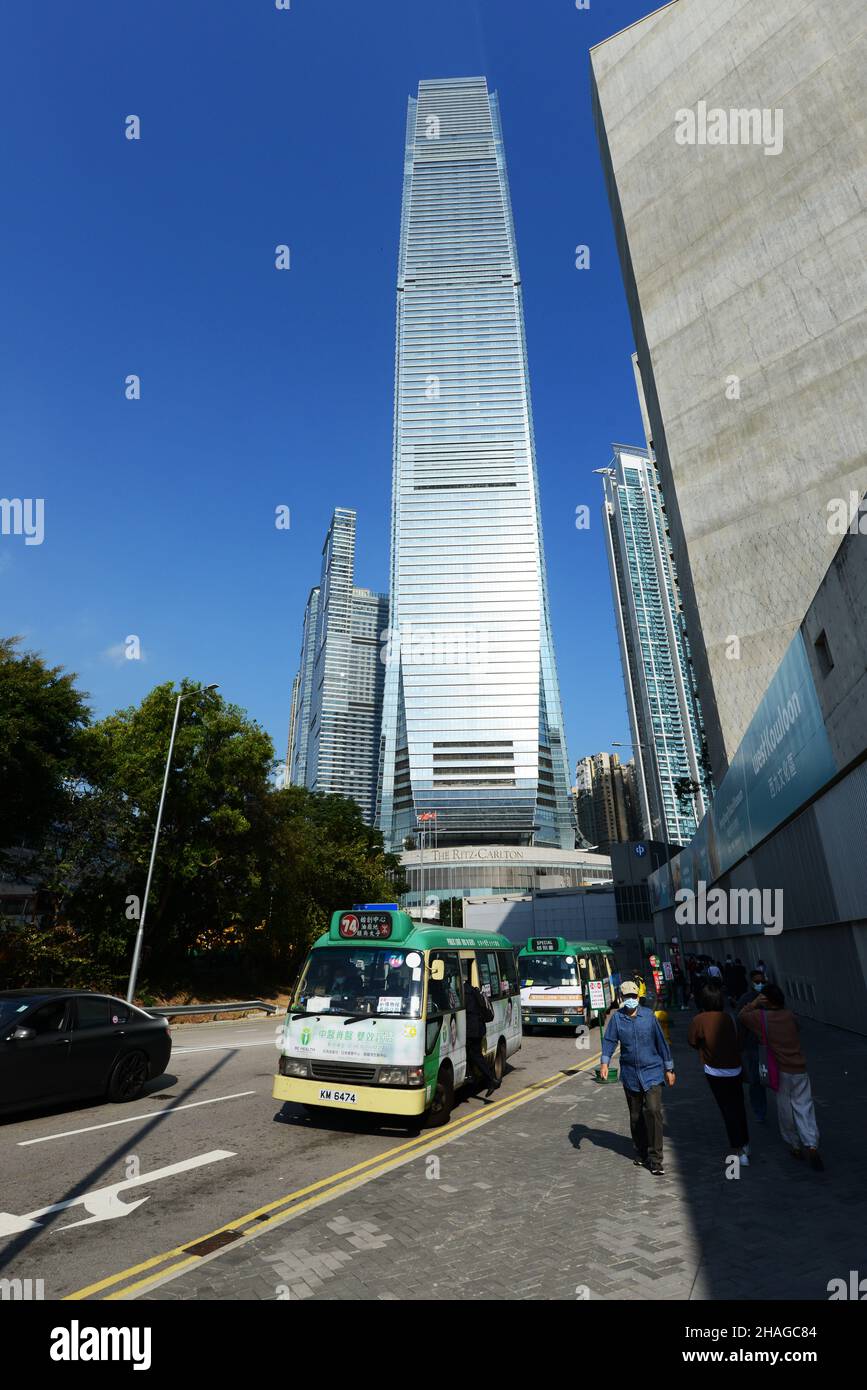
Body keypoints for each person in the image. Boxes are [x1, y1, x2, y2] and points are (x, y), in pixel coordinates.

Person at [739, 983, 823, 1170]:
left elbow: (742, 1016)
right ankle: (811, 1143)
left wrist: (753, 1003)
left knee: (785, 1107)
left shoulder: (761, 1018)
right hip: (799, 1067)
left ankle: (794, 1144)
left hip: (780, 1070)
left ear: (766, 999)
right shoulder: (790, 1016)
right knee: (805, 1106)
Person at [600, 980, 675, 1176]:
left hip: (653, 1072)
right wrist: (605, 1062)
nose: (631, 1000)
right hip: (630, 1074)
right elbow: (609, 1040)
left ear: (638, 998)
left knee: (653, 1110)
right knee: (636, 1117)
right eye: (627, 998)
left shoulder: (648, 1016)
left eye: (633, 997)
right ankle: (641, 1152)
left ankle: (656, 1158)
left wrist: (669, 1068)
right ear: (621, 999)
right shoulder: (617, 1019)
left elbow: (661, 1042)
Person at [687, 984, 750, 1167]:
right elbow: (738, 1041)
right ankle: (745, 1143)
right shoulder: (728, 1017)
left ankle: (738, 1149)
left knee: (727, 1110)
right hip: (735, 1068)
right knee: (738, 1106)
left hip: (715, 1070)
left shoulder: (699, 1019)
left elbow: (692, 1040)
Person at [735, 967, 769, 1122]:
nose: (760, 984)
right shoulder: (746, 999)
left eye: (762, 981)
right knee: (756, 1080)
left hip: (769, 1044)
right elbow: (740, 1022)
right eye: (757, 982)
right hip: (752, 1045)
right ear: (751, 982)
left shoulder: (770, 997)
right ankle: (759, 1110)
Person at [464, 977, 500, 1097]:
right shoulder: (474, 990)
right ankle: (471, 1077)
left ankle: (491, 1080)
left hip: (472, 1030)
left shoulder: (465, 993)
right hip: (479, 1027)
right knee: (471, 1053)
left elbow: (467, 1011)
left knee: (475, 1055)